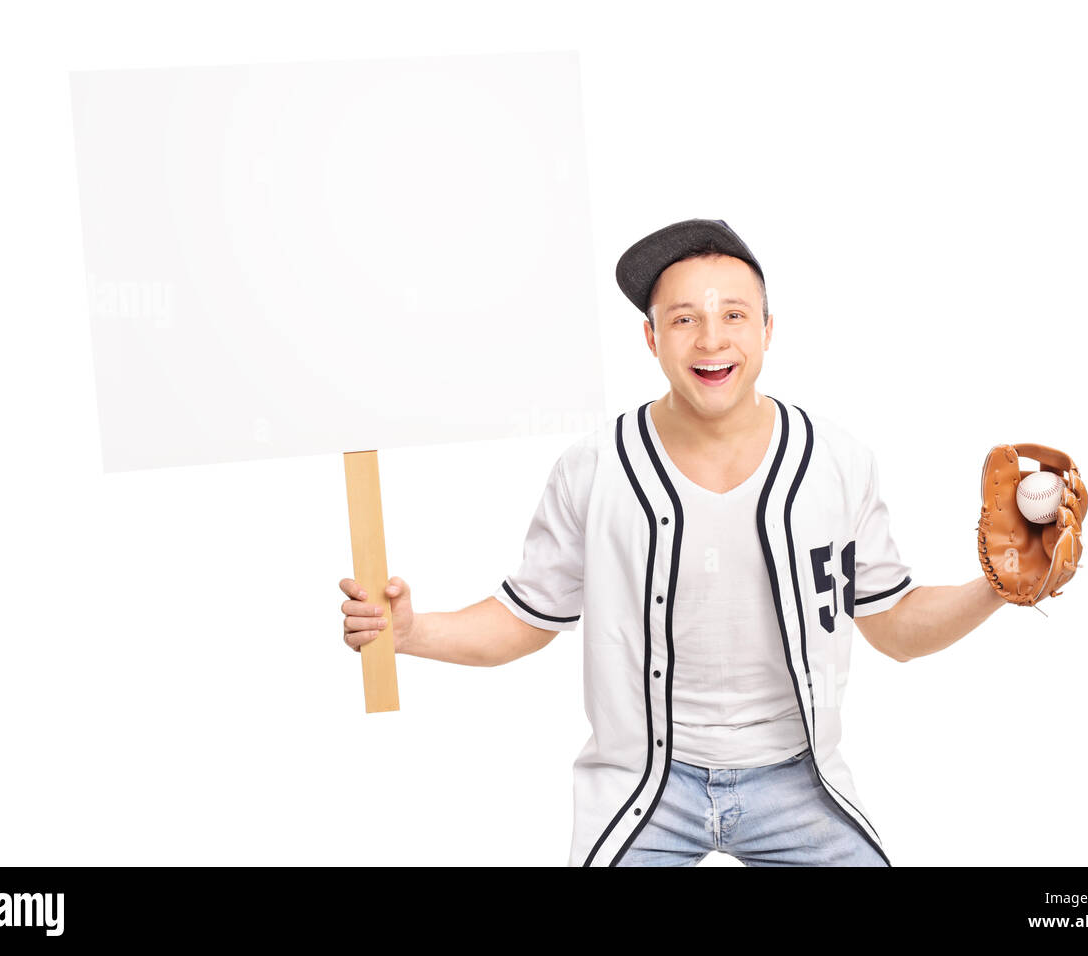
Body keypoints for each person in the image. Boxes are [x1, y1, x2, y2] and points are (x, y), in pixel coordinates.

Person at [340, 218, 1007, 867]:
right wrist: (410, 632)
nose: (711, 340)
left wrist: (998, 586)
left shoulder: (838, 462)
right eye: (685, 319)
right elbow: (526, 618)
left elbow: (896, 627)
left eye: (734, 315)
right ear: (651, 337)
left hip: (800, 779)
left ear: (768, 330)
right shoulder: (594, 468)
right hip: (645, 784)